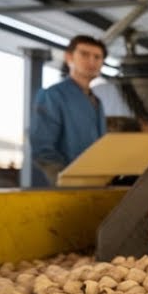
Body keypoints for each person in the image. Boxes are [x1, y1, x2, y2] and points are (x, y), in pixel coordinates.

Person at [30, 35, 108, 186]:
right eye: (85, 54)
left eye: (97, 57)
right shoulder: (53, 96)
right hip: (65, 187)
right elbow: (42, 149)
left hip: (95, 183)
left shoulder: (97, 102)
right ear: (69, 58)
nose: (92, 61)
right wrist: (64, 180)